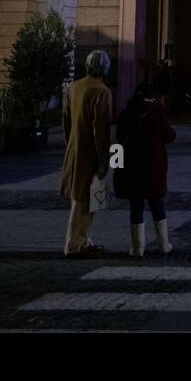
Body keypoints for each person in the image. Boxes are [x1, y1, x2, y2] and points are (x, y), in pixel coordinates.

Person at [59, 51, 114, 258]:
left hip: (75, 148)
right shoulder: (102, 91)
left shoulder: (74, 87)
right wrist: (103, 160)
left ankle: (84, 240)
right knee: (84, 199)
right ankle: (75, 244)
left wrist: (70, 144)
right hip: (89, 153)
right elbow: (101, 129)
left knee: (87, 198)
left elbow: (65, 120)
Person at [115, 83, 177, 257]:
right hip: (153, 165)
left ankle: (137, 248)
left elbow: (119, 140)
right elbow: (170, 136)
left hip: (132, 165)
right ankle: (163, 244)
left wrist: (116, 167)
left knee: (136, 206)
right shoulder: (157, 113)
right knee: (157, 203)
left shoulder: (125, 114)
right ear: (151, 96)